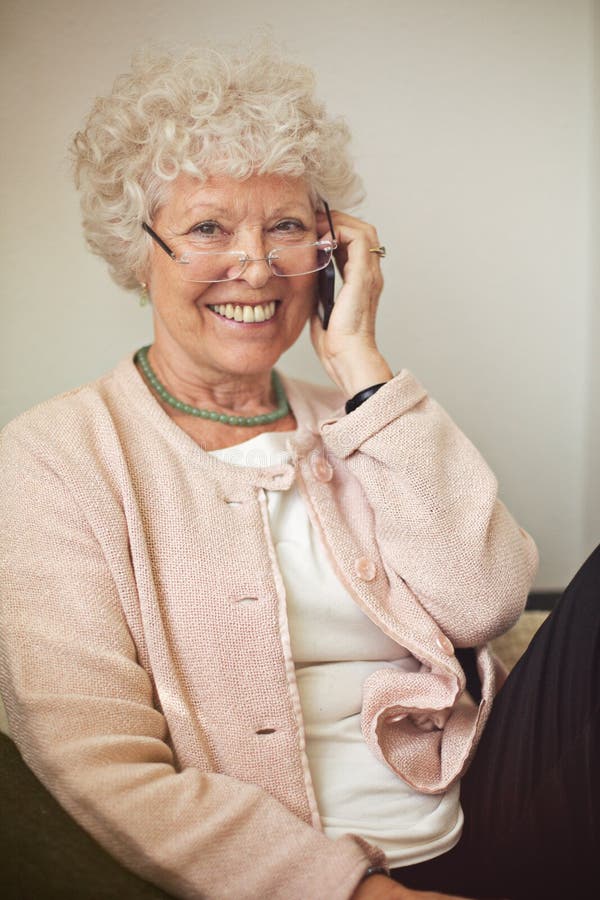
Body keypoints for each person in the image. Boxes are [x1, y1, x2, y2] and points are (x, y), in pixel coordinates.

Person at [0, 38, 597, 900]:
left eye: (288, 226)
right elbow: (97, 756)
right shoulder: (54, 458)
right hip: (311, 876)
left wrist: (359, 358)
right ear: (137, 253)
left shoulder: (364, 416)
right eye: (208, 227)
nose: (258, 264)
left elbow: (485, 604)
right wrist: (354, 894)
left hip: (484, 806)